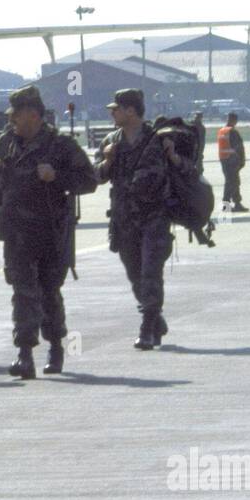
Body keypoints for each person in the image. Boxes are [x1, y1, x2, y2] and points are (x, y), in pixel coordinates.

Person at [0, 85, 97, 379]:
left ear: (33, 114)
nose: (12, 120)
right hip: (16, 233)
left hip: (49, 232)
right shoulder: (6, 143)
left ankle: (56, 346)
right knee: (22, 293)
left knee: (48, 292)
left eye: (16, 114)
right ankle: (24, 353)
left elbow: (89, 179)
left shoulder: (60, 145)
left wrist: (56, 176)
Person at [95, 88, 192, 349]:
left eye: (116, 109)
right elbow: (96, 177)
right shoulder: (111, 142)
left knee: (150, 272)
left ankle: (147, 326)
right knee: (134, 273)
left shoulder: (158, 140)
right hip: (123, 219)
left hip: (154, 217)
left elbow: (186, 169)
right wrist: (107, 161)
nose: (112, 113)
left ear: (130, 111)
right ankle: (155, 317)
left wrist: (173, 156)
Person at [216, 112, 247, 211]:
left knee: (232, 182)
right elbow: (238, 147)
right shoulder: (232, 132)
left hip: (224, 159)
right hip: (232, 160)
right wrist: (241, 160)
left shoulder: (222, 131)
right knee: (232, 182)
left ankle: (237, 203)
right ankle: (226, 205)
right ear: (235, 121)